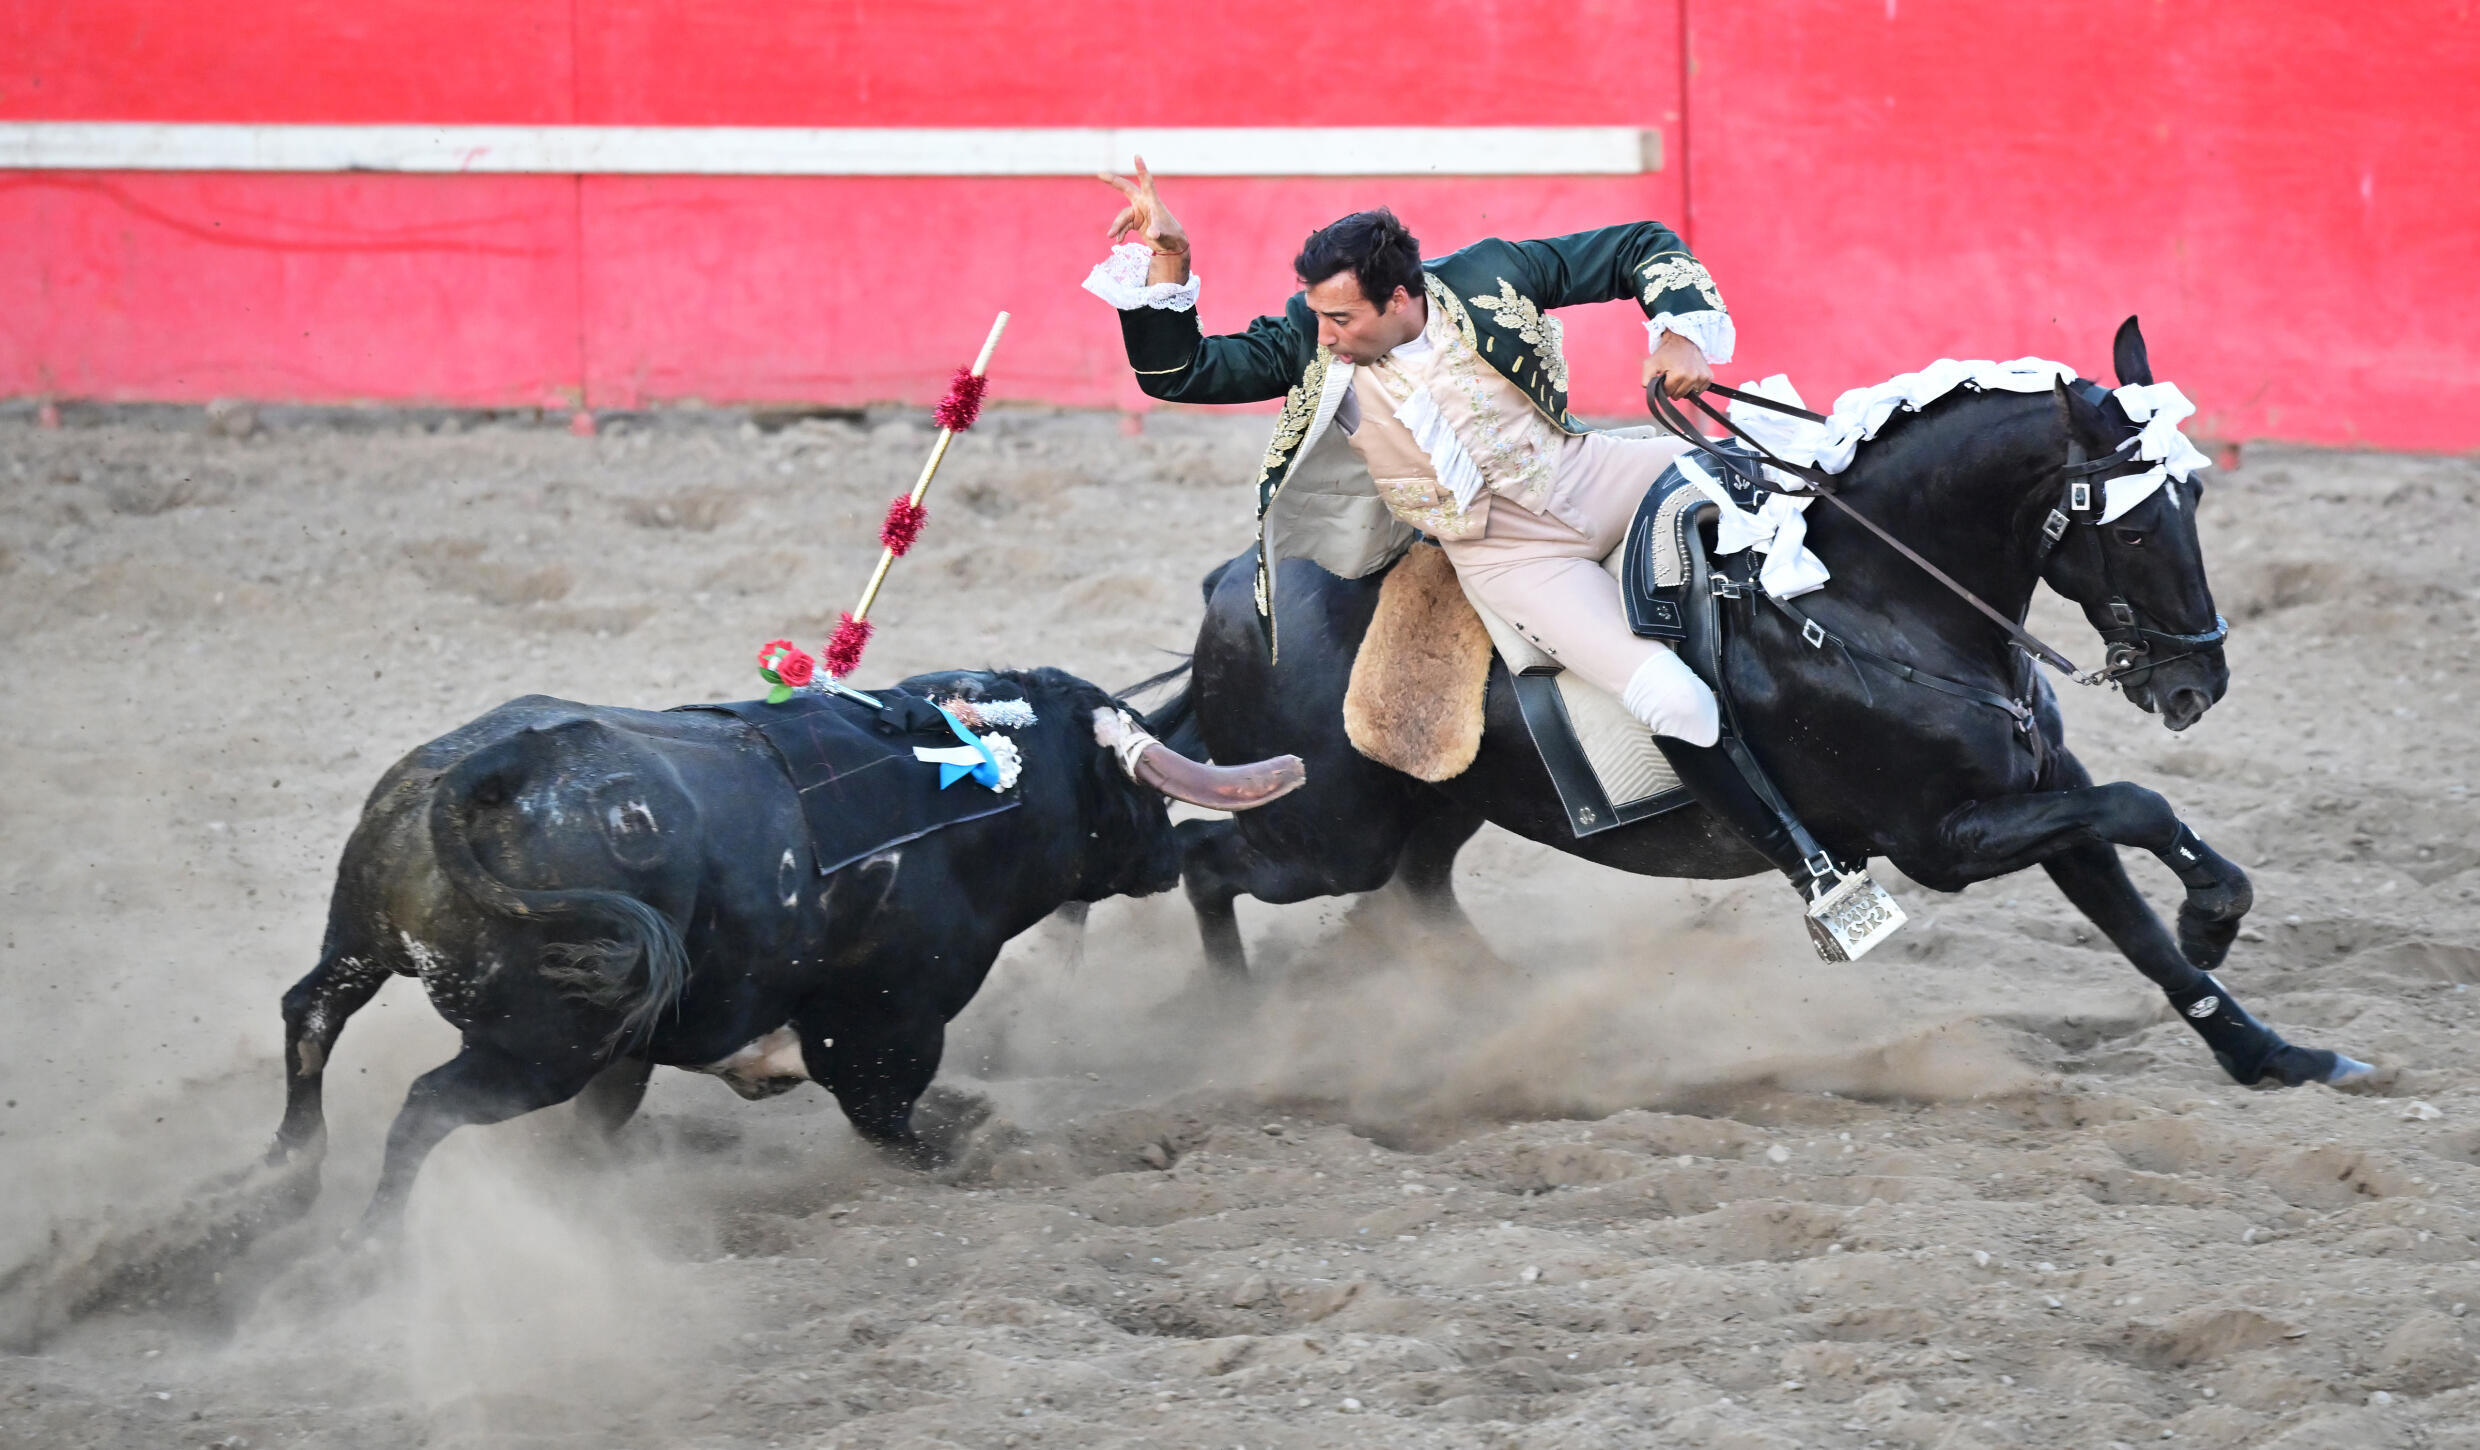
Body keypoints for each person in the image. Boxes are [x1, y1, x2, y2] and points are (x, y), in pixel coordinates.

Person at [1087, 161, 1890, 945]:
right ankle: (1817, 876)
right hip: (1509, 556)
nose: (1325, 334)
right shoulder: (1312, 340)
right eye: (1319, 317)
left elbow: (1640, 245)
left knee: (1810, 477)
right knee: (1676, 704)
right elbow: (1181, 371)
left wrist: (1680, 335)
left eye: (1343, 318)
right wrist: (1170, 262)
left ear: (1400, 297)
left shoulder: (1488, 276)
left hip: (1598, 474)